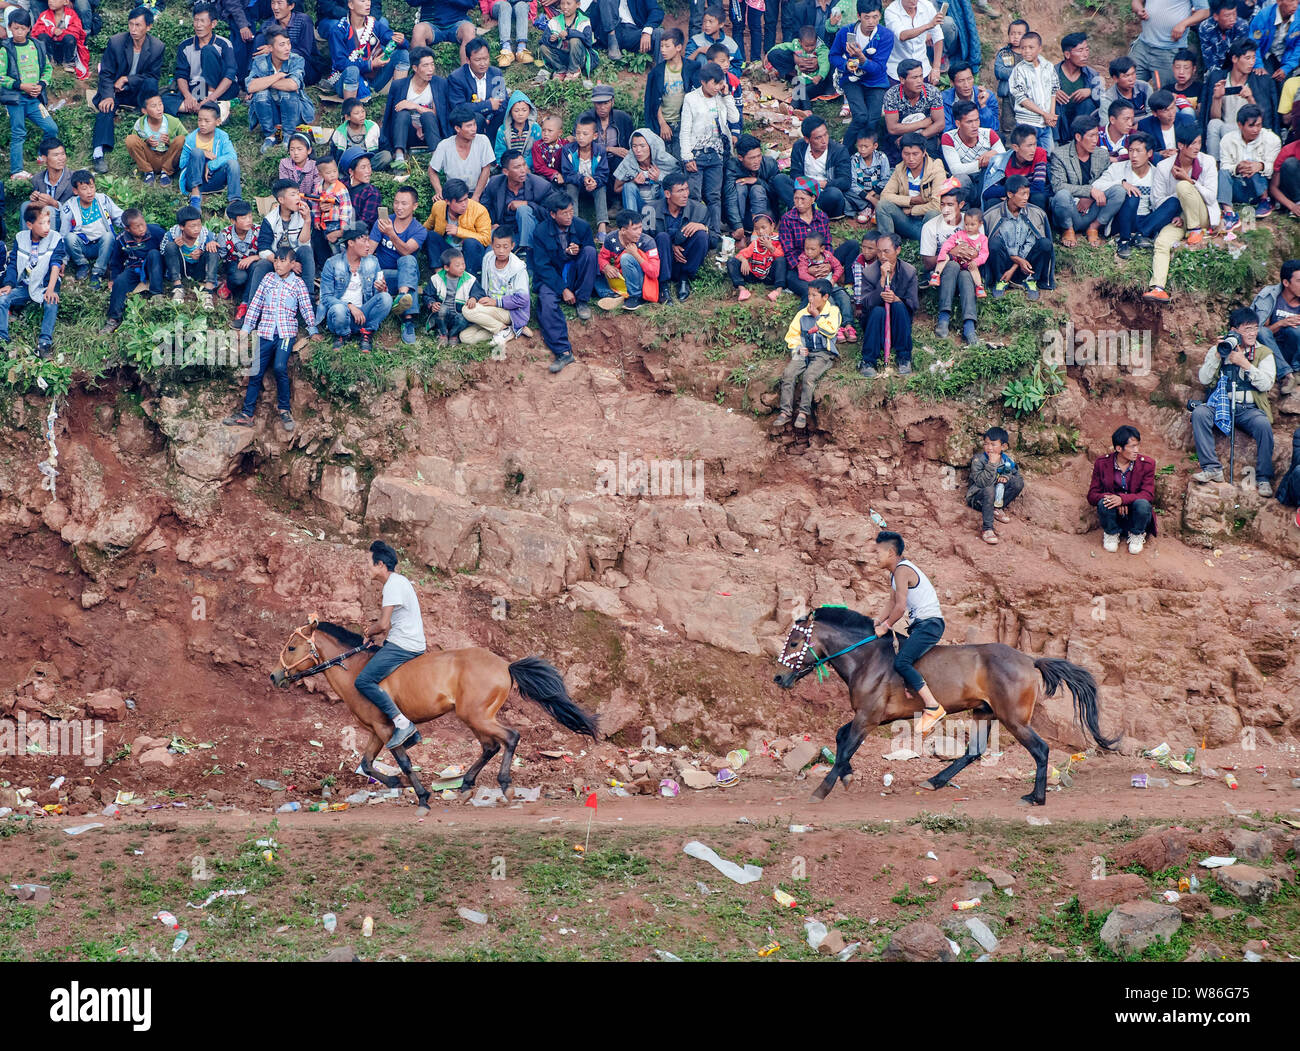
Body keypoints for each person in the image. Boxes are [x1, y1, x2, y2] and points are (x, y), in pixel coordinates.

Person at [224, 244, 320, 432]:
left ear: (292, 264)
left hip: (285, 334)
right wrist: (246, 328)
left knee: (279, 367)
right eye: (276, 260)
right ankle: (247, 414)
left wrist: (313, 329)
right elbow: (256, 305)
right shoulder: (268, 279)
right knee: (255, 371)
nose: (277, 264)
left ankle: (284, 410)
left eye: (282, 261)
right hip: (266, 332)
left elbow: (306, 308)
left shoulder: (297, 284)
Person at [1189, 306, 1276, 495]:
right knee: (1200, 413)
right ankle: (1212, 468)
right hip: (1221, 404)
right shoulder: (1220, 349)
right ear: (1234, 331)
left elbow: (1266, 384)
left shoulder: (1264, 353)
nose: (1253, 333)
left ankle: (1262, 478)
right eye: (1247, 329)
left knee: (1263, 425)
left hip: (1248, 408)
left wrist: (1244, 364)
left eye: (1255, 328)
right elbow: (1204, 379)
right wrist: (1217, 356)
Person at [873, 530, 947, 734]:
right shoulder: (894, 575)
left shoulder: (902, 571)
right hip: (920, 625)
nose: (874, 556)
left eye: (877, 552)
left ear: (890, 552)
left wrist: (886, 626)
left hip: (930, 624)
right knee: (900, 655)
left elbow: (900, 607)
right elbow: (891, 602)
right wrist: (877, 621)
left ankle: (933, 707)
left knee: (901, 662)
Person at [356, 539, 425, 752]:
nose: (367, 567)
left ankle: (402, 724)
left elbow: (384, 624)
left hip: (404, 644)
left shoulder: (393, 585)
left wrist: (369, 631)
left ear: (380, 565)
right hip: (403, 641)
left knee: (364, 680)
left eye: (369, 562)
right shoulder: (398, 582)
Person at [1145, 123, 1220, 301]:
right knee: (1162, 242)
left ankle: (1195, 230)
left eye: (1199, 143)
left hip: (1202, 215)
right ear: (1180, 145)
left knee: (1183, 185)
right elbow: (1157, 200)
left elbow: (1211, 197)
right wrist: (1175, 214)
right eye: (1192, 143)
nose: (1196, 147)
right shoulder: (1164, 166)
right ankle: (1157, 287)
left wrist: (1189, 180)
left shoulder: (1207, 162)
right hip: (1179, 218)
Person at [91, 6, 166, 174]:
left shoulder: (157, 47)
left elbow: (152, 76)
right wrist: (108, 96)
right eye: (131, 24)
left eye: (138, 25)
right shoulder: (116, 42)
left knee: (151, 85)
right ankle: (98, 152)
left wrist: (127, 79)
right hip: (116, 91)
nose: (133, 29)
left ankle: (152, 133)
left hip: (138, 91)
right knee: (105, 107)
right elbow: (106, 73)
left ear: (149, 27)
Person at [532, 192, 596, 371]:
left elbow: (589, 254)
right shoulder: (541, 231)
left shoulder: (582, 226)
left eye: (571, 212)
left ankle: (582, 300)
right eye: (564, 213)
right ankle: (563, 352)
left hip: (575, 273)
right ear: (553, 214)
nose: (569, 216)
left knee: (590, 252)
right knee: (545, 302)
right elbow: (542, 266)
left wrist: (578, 250)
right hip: (553, 276)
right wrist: (562, 289)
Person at [1095, 132, 1176, 258]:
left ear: (1149, 153)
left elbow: (1163, 200)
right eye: (1131, 150)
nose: (1133, 155)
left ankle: (1140, 235)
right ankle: (1124, 241)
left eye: (1138, 151)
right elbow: (1097, 185)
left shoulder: (1157, 173)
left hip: (1147, 220)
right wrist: (1121, 183)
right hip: (1123, 219)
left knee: (1173, 201)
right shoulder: (1118, 168)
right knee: (1133, 195)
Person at [773, 278, 840, 430]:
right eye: (809, 295)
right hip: (803, 351)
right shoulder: (802, 313)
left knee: (809, 376)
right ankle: (785, 412)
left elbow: (831, 330)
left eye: (814, 295)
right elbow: (792, 335)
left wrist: (817, 316)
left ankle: (803, 413)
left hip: (823, 353)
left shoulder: (833, 311)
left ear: (825, 297)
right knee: (788, 373)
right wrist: (797, 348)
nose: (810, 299)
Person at [0, 203, 63, 358]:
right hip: (25, 285)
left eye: (48, 222)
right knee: (2, 298)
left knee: (51, 302)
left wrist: (51, 288)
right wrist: (8, 284)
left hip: (45, 284)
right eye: (41, 223)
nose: (46, 227)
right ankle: (2, 339)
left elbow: (56, 264)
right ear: (29, 224)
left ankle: (44, 343)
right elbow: (13, 263)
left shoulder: (55, 238)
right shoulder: (20, 238)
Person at [2, 12, 59, 182]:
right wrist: (20, 85)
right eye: (15, 28)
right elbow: (0, 76)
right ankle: (16, 171)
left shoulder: (37, 46)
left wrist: (41, 84)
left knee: (51, 128)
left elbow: (47, 69)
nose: (18, 32)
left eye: (22, 28)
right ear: (10, 28)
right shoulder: (5, 49)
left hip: (34, 99)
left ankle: (42, 155)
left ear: (29, 29)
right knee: (18, 133)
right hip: (15, 99)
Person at [318, 223, 393, 352]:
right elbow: (326, 297)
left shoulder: (372, 262)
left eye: (368, 240)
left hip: (363, 314)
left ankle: (366, 332)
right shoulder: (332, 263)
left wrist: (382, 289)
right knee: (338, 309)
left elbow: (378, 295)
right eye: (364, 240)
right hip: (341, 314)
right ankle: (343, 334)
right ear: (351, 243)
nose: (368, 245)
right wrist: (350, 306)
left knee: (386, 298)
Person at [1049, 115, 1120, 246]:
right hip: (1071, 209)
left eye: (1097, 135)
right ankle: (1068, 230)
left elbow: (1107, 179)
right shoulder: (1060, 155)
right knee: (1062, 195)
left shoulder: (1102, 154)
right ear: (1078, 137)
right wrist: (1089, 191)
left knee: (1118, 191)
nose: (1095, 140)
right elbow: (1058, 186)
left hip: (1094, 208)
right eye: (1091, 136)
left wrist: (1091, 197)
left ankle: (1093, 227)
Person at [1087, 423, 1156, 554]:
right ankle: (1111, 533)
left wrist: (1123, 499)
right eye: (1132, 446)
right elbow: (1092, 495)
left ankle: (1137, 534)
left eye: (1137, 445)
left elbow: (1148, 494)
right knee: (1104, 502)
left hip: (1136, 513)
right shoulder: (1102, 463)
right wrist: (1114, 500)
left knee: (1143, 504)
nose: (1137, 450)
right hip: (1113, 514)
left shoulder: (1147, 464)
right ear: (1119, 448)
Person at [855, 231, 918, 375]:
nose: (882, 256)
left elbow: (913, 304)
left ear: (898, 250)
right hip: (874, 323)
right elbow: (866, 304)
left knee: (899, 306)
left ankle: (904, 357)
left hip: (899, 323)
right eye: (879, 252)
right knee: (878, 310)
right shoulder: (869, 272)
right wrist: (882, 282)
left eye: (886, 251)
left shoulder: (909, 271)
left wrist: (897, 299)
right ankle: (868, 361)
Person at [371, 184, 425, 344]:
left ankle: (406, 316)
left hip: (405, 277)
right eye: (396, 202)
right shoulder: (382, 222)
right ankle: (404, 305)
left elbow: (407, 250)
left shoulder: (419, 230)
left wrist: (391, 234)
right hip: (384, 277)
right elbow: (368, 253)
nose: (399, 207)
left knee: (408, 260)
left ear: (414, 206)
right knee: (410, 283)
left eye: (404, 203)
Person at [831, 0, 893, 138]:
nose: (871, 21)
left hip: (876, 80)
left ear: (880, 16)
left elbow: (878, 68)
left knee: (873, 120)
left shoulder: (886, 35)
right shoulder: (845, 32)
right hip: (851, 79)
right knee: (860, 117)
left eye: (875, 17)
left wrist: (862, 58)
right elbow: (833, 56)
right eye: (867, 17)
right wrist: (845, 65)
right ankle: (845, 150)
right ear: (859, 16)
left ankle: (866, 149)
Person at [1201, 37, 1272, 157]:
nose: (1252, 62)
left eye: (1254, 58)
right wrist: (1217, 98)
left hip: (1246, 130)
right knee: (1214, 124)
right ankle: (1215, 164)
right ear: (1234, 58)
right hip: (1223, 130)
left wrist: (1250, 98)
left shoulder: (1259, 80)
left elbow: (1262, 119)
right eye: (1247, 58)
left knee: (1226, 129)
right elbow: (1214, 117)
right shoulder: (1218, 78)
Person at [381, 46, 448, 174]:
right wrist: (416, 127)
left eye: (432, 65)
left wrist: (416, 106)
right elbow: (393, 114)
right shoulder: (399, 86)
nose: (430, 70)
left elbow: (439, 114)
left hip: (430, 130)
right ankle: (399, 158)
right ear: (415, 68)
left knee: (428, 116)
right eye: (426, 66)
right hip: (406, 132)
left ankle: (437, 158)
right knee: (403, 114)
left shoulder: (439, 84)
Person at [164, 3, 237, 118]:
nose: (198, 25)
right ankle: (209, 109)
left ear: (213, 24)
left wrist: (211, 97)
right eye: (196, 20)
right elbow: (181, 75)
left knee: (208, 50)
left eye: (202, 21)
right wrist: (188, 96)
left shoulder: (224, 44)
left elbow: (230, 75)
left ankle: (207, 104)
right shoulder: (185, 46)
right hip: (197, 89)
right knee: (163, 100)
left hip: (220, 87)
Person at [985, 175, 1053, 300]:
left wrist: (1017, 265)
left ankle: (1031, 280)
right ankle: (1001, 280)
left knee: (1045, 244)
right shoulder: (993, 214)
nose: (1026, 198)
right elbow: (996, 245)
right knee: (993, 243)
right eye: (1022, 194)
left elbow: (1032, 242)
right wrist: (1015, 261)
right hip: (1004, 262)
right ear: (1010, 194)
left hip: (1027, 264)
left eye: (1028, 194)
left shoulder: (1036, 213)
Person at [248, 25, 313, 152]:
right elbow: (251, 86)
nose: (287, 48)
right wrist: (278, 76)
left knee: (287, 92)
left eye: (288, 43)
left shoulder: (296, 59)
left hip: (294, 112)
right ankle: (270, 136)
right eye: (282, 45)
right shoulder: (260, 61)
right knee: (260, 94)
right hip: (270, 112)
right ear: (270, 48)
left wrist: (264, 81)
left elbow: (293, 85)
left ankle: (288, 135)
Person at [100, 207, 164, 335]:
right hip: (135, 267)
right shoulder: (121, 239)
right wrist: (113, 278)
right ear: (127, 229)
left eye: (142, 224)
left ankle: (157, 294)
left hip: (155, 265)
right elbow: (116, 261)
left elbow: (168, 248)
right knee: (120, 282)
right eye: (136, 227)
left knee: (154, 254)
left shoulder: (157, 232)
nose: (141, 229)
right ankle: (114, 319)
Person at [330, 0, 408, 101]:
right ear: (351, 4)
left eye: (368, 0)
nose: (368, 3)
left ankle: (399, 100)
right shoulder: (339, 30)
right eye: (362, 1)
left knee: (402, 54)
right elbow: (340, 63)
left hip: (373, 77)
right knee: (353, 71)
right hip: (347, 81)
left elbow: (391, 38)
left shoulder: (374, 24)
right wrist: (370, 64)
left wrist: (401, 41)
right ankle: (350, 109)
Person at [650, 172, 710, 301]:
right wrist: (671, 247)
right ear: (667, 194)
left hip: (685, 259)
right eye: (680, 191)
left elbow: (715, 240)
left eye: (686, 189)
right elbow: (643, 241)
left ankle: (684, 279)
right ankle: (663, 286)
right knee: (662, 237)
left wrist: (703, 227)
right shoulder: (649, 209)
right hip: (662, 260)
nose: (685, 194)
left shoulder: (699, 209)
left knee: (701, 235)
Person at [253, 178, 316, 298]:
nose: (298, 198)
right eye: (293, 195)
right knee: (261, 265)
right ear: (281, 200)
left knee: (306, 251)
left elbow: (304, 243)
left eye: (298, 193)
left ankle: (309, 298)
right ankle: (252, 307)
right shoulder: (270, 220)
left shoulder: (305, 214)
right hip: (276, 259)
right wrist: (284, 263)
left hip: (296, 257)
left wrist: (307, 220)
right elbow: (263, 249)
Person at [875, 132, 944, 242]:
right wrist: (911, 200)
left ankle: (929, 245)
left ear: (924, 152)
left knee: (934, 214)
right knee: (882, 205)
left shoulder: (936, 169)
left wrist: (912, 210)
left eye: (915, 154)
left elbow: (936, 205)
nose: (910, 159)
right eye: (906, 154)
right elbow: (885, 195)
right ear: (901, 153)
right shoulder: (900, 169)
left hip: (926, 223)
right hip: (906, 221)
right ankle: (888, 244)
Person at [1218, 104, 1281, 222]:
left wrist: (1260, 166)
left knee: (1253, 164)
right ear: (1240, 125)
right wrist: (1237, 168)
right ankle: (1228, 212)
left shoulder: (1272, 139)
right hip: (1238, 187)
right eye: (1251, 126)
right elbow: (1225, 165)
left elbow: (1275, 167)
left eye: (1259, 125)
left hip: (1261, 186)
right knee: (1223, 172)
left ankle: (1264, 201)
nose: (1256, 130)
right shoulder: (1227, 140)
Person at [645, 28, 700, 161]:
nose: (663, 50)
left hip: (684, 123)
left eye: (667, 46)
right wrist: (662, 123)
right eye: (661, 46)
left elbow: (697, 95)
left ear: (678, 47)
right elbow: (652, 100)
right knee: (663, 160)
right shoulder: (657, 72)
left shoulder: (692, 68)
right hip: (664, 123)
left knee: (682, 159)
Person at [1128, 0, 1210, 91]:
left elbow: (1204, 11)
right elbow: (1136, 1)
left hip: (1168, 49)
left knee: (1164, 95)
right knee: (1127, 85)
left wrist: (1184, 24)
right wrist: (1138, 9)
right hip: (1143, 45)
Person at [60, 170, 122, 286]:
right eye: (84, 189)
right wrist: (63, 260)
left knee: (109, 236)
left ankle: (97, 272)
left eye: (92, 187)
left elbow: (119, 216)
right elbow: (64, 234)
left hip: (102, 245)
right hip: (83, 246)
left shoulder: (102, 199)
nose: (90, 192)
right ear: (75, 191)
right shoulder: (69, 207)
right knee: (70, 237)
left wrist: (131, 225)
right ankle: (82, 264)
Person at [484, 148, 551, 254]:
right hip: (503, 230)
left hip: (529, 232)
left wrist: (527, 204)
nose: (523, 170)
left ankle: (525, 252)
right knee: (490, 253)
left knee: (523, 210)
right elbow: (484, 207)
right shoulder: (494, 183)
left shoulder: (541, 185)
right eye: (517, 167)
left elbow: (551, 214)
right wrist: (490, 224)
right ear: (506, 172)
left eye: (524, 165)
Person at [475, 225, 532, 345]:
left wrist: (496, 302)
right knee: (466, 337)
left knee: (468, 311)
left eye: (505, 247)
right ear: (492, 245)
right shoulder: (488, 259)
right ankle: (508, 329)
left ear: (512, 246)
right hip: (491, 307)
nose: (501, 251)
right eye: (497, 246)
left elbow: (523, 299)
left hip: (510, 312)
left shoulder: (518, 267)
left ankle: (509, 328)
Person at [789, 115, 855, 220]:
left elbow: (845, 181)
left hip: (824, 192)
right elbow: (794, 172)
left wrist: (822, 184)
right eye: (818, 138)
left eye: (825, 134)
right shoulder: (799, 147)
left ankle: (803, 209)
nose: (824, 141)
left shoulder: (839, 151)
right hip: (803, 190)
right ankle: (804, 208)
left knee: (834, 194)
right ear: (807, 139)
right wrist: (805, 187)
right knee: (780, 180)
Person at [179, 100, 243, 206]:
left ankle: (234, 203)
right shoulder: (191, 139)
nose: (202, 124)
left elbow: (232, 155)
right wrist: (200, 154)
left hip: (213, 180)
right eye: (199, 120)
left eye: (207, 121)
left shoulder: (222, 136)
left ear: (217, 122)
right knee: (196, 152)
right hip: (193, 183)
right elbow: (182, 164)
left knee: (233, 164)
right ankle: (195, 198)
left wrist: (210, 165)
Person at [941, 100, 1004, 208]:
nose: (975, 126)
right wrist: (981, 162)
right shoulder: (948, 138)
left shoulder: (988, 134)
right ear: (958, 123)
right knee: (959, 179)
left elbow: (1004, 158)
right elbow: (956, 170)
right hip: (967, 185)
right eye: (969, 122)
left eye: (977, 120)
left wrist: (993, 154)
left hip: (988, 181)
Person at [966, 426, 1022, 544]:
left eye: (993, 444)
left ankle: (996, 508)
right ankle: (987, 529)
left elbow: (1016, 477)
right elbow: (982, 483)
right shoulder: (979, 460)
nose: (989, 448)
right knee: (989, 489)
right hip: (977, 498)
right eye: (986, 444)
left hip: (994, 499)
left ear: (1004, 446)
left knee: (1018, 483)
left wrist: (1006, 478)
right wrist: (991, 464)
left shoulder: (1007, 461)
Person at [595, 208, 661, 309]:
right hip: (621, 279)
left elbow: (654, 272)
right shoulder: (611, 238)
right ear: (623, 230)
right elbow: (601, 258)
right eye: (635, 229)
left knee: (626, 257)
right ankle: (610, 294)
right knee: (592, 263)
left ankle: (635, 296)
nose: (639, 232)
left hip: (641, 281)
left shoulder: (648, 242)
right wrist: (606, 266)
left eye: (640, 227)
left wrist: (636, 255)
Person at [880, 58, 944, 160]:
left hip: (926, 135)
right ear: (902, 79)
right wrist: (922, 123)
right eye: (914, 77)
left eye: (921, 76)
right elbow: (892, 128)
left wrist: (916, 137)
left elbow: (940, 124)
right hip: (900, 137)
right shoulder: (892, 95)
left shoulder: (932, 92)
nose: (919, 81)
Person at [251, 0, 326, 86]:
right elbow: (258, 54)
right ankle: (265, 82)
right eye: (273, 3)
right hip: (278, 68)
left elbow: (304, 52)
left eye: (279, 3)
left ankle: (269, 83)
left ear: (291, 6)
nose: (275, 7)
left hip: (305, 66)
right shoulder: (268, 25)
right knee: (260, 39)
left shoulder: (303, 21)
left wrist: (275, 50)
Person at [424, 176, 491, 272]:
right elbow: (427, 227)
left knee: (470, 242)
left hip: (469, 253)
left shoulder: (479, 210)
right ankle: (439, 274)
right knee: (431, 235)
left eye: (466, 199)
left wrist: (459, 231)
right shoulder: (438, 207)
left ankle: (468, 276)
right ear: (447, 201)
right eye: (460, 202)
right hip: (449, 252)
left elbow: (486, 239)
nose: (464, 204)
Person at [447, 37, 507, 144]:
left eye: (485, 59)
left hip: (492, 117)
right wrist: (487, 105)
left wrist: (489, 116)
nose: (483, 63)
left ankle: (498, 153)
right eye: (478, 60)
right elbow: (459, 107)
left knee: (507, 113)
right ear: (468, 60)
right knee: (477, 119)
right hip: (468, 119)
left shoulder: (496, 73)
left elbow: (503, 101)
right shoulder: (457, 78)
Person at [428, 106, 495, 202]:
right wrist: (439, 191)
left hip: (481, 193)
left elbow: (486, 169)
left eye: (474, 124)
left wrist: (476, 196)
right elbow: (432, 171)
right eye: (469, 126)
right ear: (457, 128)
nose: (474, 129)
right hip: (455, 195)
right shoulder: (444, 145)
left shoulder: (483, 140)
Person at [1253, 259, 1300, 392]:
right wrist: (1281, 323)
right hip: (1270, 351)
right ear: (1286, 282)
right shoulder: (1270, 297)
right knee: (1262, 331)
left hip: (1294, 353)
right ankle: (1287, 375)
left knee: (1296, 331)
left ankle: (1297, 372)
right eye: (1299, 281)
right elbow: (1256, 331)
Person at [562, 113, 612, 237]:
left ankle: (602, 227)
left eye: (585, 134)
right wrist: (583, 179)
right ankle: (573, 225)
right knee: (570, 188)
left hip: (593, 185)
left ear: (595, 136)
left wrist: (595, 181)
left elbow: (603, 173)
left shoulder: (600, 151)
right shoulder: (568, 150)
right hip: (577, 184)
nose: (580, 137)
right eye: (578, 133)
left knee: (601, 189)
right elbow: (567, 174)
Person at [162, 205, 221, 308]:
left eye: (199, 225)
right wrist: (174, 245)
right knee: (170, 246)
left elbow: (217, 257)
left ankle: (208, 291)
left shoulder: (207, 235)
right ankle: (178, 287)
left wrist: (204, 250)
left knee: (213, 248)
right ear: (182, 226)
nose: (197, 229)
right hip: (181, 269)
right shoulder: (171, 234)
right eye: (192, 226)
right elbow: (163, 251)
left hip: (199, 269)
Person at [1009, 31, 1059, 149]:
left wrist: (1051, 114)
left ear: (1040, 48)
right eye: (1023, 48)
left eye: (1031, 47)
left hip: (1045, 124)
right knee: (1028, 156)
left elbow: (1054, 90)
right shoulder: (1019, 70)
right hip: (1027, 123)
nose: (1026, 51)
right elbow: (1021, 98)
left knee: (1048, 155)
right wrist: (1044, 114)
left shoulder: (1048, 66)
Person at [982, 123, 1049, 210]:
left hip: (1028, 198)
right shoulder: (1002, 161)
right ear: (1015, 147)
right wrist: (1014, 196)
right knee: (992, 202)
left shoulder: (1039, 153)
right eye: (1029, 146)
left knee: (1038, 198)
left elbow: (1038, 187)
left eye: (1035, 144)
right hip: (1010, 200)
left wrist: (1013, 194)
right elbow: (988, 191)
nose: (1033, 150)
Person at [126, 92, 187, 184]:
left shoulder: (173, 121)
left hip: (168, 158)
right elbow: (135, 143)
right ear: (144, 111)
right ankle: (148, 172)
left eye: (160, 104)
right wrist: (146, 141)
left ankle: (166, 173)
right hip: (150, 158)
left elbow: (188, 140)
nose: (159, 109)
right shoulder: (140, 124)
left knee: (181, 139)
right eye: (154, 106)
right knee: (130, 139)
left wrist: (169, 142)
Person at [616, 127, 678, 216]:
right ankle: (632, 222)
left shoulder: (664, 161)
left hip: (660, 205)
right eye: (634, 146)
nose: (638, 150)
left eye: (642, 146)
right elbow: (616, 188)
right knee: (628, 186)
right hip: (639, 205)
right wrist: (634, 181)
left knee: (666, 186)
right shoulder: (628, 162)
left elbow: (679, 186)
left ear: (651, 146)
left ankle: (667, 220)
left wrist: (659, 178)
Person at [425, 245, 480, 341]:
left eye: (463, 264)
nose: (462, 268)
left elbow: (479, 292)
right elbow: (427, 294)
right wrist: (432, 303)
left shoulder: (470, 280)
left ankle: (453, 334)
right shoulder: (436, 279)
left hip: (459, 315)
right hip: (443, 317)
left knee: (463, 318)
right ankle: (443, 333)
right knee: (442, 310)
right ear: (446, 267)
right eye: (457, 265)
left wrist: (474, 298)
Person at [729, 211, 786, 300]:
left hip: (769, 276)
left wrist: (770, 247)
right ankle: (742, 289)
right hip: (754, 275)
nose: (760, 232)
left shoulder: (779, 240)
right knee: (732, 261)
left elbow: (781, 255)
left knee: (781, 260)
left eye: (764, 228)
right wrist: (744, 260)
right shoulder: (756, 243)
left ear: (772, 226)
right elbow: (741, 254)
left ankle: (778, 290)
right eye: (757, 229)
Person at [883, 0, 943, 84]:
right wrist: (928, 26)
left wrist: (936, 68)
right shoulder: (891, 11)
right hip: (897, 69)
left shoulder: (927, 5)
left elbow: (938, 36)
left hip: (923, 68)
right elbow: (902, 36)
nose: (913, 1)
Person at [932, 206, 987, 297]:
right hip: (955, 260)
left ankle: (979, 287)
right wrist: (943, 253)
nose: (969, 227)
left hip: (969, 262)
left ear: (980, 224)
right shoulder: (959, 234)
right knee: (945, 257)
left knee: (974, 269)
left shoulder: (983, 239)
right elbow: (948, 243)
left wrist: (976, 262)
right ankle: (936, 275)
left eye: (972, 224)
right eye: (966, 224)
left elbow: (984, 254)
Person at [1055, 31, 1102, 137]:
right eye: (1080, 50)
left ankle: (1082, 139)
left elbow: (1104, 102)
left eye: (1087, 49)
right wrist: (1052, 93)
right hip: (1059, 124)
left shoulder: (1092, 74)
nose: (1085, 54)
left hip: (1082, 126)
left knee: (1087, 103)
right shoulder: (1052, 73)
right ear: (1067, 54)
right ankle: (1057, 143)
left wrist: (1091, 92)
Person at [766, 23, 829, 99]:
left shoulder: (821, 49)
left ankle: (806, 109)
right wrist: (768, 54)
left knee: (803, 93)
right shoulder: (796, 45)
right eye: (806, 46)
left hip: (814, 77)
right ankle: (793, 76)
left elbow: (825, 63)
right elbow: (783, 46)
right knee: (773, 55)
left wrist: (820, 76)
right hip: (799, 74)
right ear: (800, 42)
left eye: (812, 45)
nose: (809, 49)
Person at [219, 198, 259, 317]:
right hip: (234, 264)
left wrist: (253, 258)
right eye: (243, 218)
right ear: (233, 220)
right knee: (239, 277)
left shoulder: (258, 230)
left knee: (256, 270)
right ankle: (228, 285)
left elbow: (267, 251)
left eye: (250, 217)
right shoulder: (225, 234)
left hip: (254, 263)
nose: (248, 221)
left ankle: (244, 304)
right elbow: (220, 255)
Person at [540, 0, 597, 80]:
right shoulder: (554, 21)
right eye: (562, 3)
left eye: (568, 3)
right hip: (562, 57)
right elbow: (543, 40)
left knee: (575, 40)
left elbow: (588, 41)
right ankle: (561, 70)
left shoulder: (584, 21)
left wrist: (569, 33)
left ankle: (573, 70)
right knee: (543, 48)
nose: (565, 7)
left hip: (579, 58)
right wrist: (551, 39)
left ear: (578, 4)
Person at [32, 0, 88, 78]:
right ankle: (50, 61)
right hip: (51, 48)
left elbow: (77, 30)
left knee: (70, 38)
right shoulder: (44, 15)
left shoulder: (71, 14)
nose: (51, 1)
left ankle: (68, 62)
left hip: (65, 48)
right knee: (42, 37)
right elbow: (36, 30)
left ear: (65, 2)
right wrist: (52, 30)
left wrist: (61, 33)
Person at [1138, 88, 1197, 159]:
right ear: (1154, 113)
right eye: (1165, 111)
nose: (1171, 113)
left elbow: (1195, 146)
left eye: (1173, 108)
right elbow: (1143, 151)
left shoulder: (1187, 120)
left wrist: (1179, 153)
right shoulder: (1145, 125)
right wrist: (1159, 154)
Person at [29, 138, 73, 233]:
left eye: (63, 154)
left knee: (49, 210)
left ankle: (52, 246)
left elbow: (79, 206)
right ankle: (28, 243)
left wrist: (54, 203)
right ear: (44, 158)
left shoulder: (74, 178)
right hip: (43, 222)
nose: (61, 158)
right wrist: (34, 198)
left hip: (66, 222)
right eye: (56, 155)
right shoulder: (37, 179)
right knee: (26, 206)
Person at [848, 125, 890, 221]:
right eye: (859, 146)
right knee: (846, 190)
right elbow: (852, 183)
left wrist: (873, 193)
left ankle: (877, 208)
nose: (862, 149)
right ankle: (866, 207)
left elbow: (886, 179)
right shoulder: (854, 159)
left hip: (877, 191)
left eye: (866, 146)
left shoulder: (881, 157)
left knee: (889, 190)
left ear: (875, 146)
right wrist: (868, 197)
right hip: (860, 192)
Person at [942, 60, 998, 132]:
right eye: (961, 81)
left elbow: (993, 128)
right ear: (952, 82)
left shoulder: (987, 97)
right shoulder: (944, 99)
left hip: (982, 139)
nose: (967, 85)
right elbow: (947, 130)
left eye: (969, 79)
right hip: (956, 140)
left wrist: (983, 107)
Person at [994, 18, 1028, 138]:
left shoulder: (1029, 54)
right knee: (1008, 123)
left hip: (1026, 96)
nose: (1015, 37)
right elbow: (999, 71)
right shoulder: (1004, 53)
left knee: (1025, 123)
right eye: (1012, 33)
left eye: (1019, 34)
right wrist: (1019, 72)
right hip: (1008, 95)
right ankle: (1009, 149)